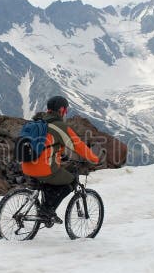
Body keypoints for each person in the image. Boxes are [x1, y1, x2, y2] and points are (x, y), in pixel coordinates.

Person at [21, 95, 100, 224]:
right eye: (66, 110)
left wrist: (61, 155)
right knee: (71, 181)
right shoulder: (59, 126)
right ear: (62, 110)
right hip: (44, 169)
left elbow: (47, 145)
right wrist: (94, 159)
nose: (66, 112)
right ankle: (47, 210)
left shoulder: (39, 123)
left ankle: (44, 209)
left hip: (26, 166)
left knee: (54, 178)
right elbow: (78, 145)